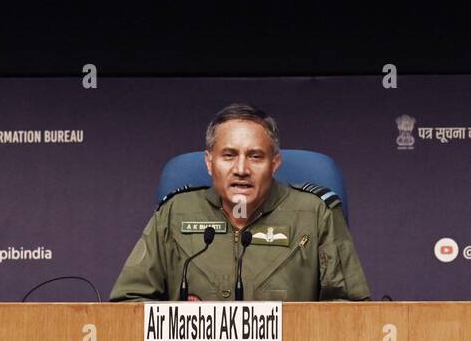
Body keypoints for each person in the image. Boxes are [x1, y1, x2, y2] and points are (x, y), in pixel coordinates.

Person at [110, 103, 370, 301]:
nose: (241, 168)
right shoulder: (174, 213)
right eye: (229, 155)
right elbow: (128, 302)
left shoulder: (317, 214)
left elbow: (349, 312)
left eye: (255, 156)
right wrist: (182, 322)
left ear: (275, 164)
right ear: (209, 163)